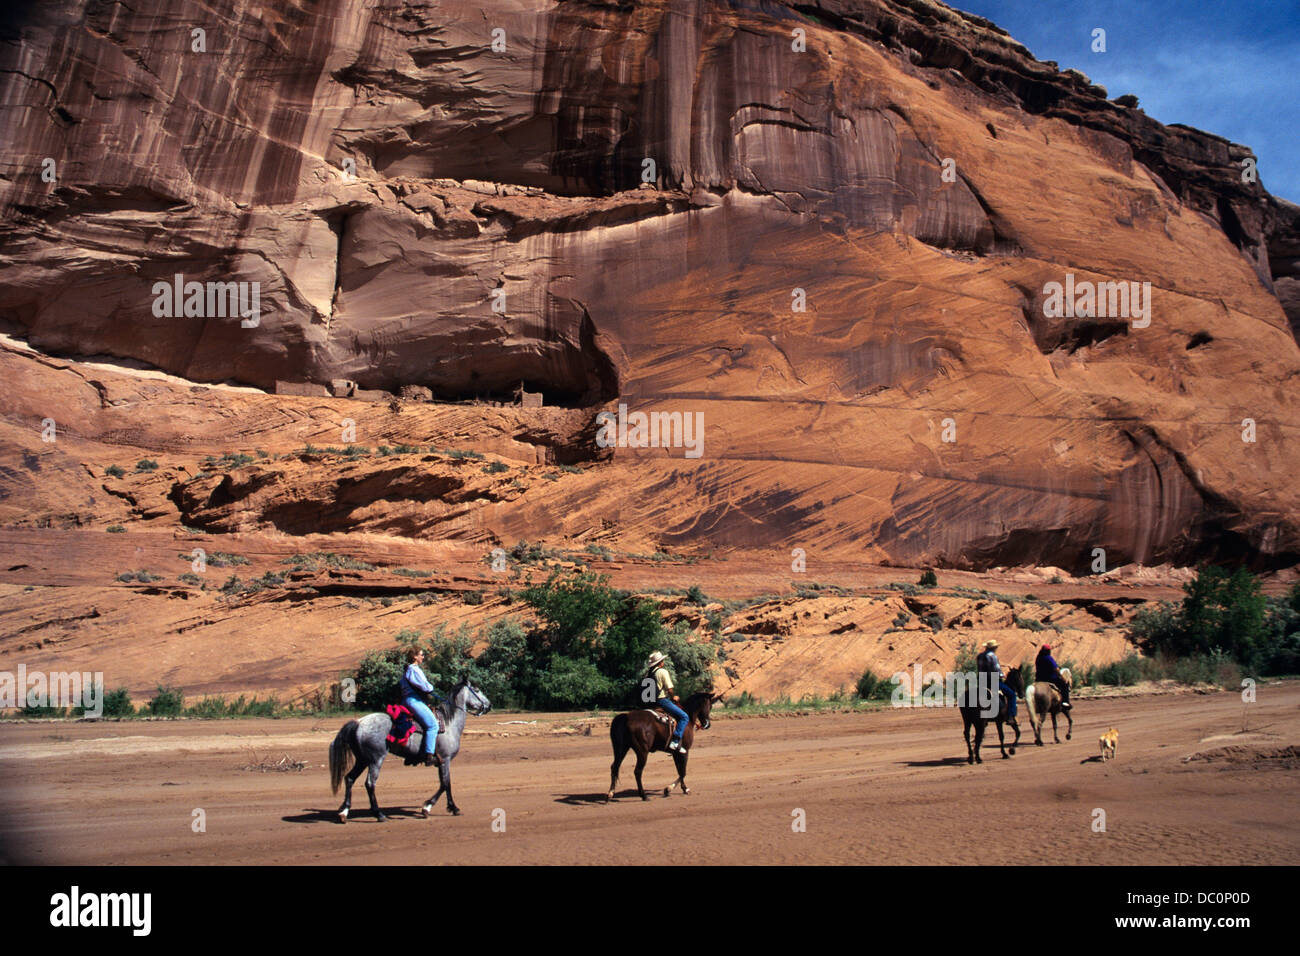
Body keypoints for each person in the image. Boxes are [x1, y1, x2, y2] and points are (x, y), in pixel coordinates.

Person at [400, 647, 442, 766]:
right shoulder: (414, 670)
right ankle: (429, 756)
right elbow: (425, 687)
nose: (423, 657)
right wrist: (431, 688)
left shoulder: (408, 669)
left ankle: (414, 754)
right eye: (421, 655)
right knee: (433, 725)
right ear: (415, 657)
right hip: (414, 701)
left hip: (407, 700)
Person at [646, 651, 689, 754]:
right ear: (660, 662)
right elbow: (669, 689)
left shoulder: (649, 673)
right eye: (662, 660)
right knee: (684, 717)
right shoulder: (662, 672)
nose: (663, 662)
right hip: (661, 701)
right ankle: (675, 741)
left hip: (649, 702)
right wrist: (673, 697)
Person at [976, 639, 1016, 720]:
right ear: (994, 648)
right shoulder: (992, 656)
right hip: (993, 681)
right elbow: (996, 669)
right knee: (1012, 695)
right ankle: (1011, 716)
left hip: (982, 681)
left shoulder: (979, 656)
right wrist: (1002, 675)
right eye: (996, 647)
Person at [1035, 643, 1071, 710]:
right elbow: (1056, 669)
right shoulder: (1049, 658)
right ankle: (1065, 702)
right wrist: (1063, 678)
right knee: (1065, 684)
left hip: (1039, 679)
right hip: (1050, 679)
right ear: (1048, 651)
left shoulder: (1038, 657)